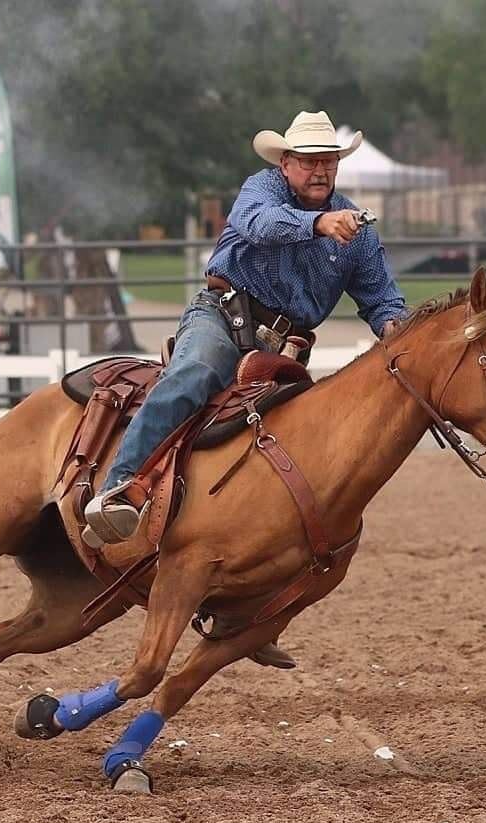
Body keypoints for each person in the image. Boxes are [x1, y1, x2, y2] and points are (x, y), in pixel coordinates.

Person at [84, 111, 407, 544]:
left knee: (305, 427)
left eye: (328, 161)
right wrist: (317, 224)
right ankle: (118, 488)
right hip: (222, 316)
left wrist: (395, 329)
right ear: (285, 163)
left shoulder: (357, 231)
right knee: (196, 371)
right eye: (309, 161)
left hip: (284, 349)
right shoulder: (261, 190)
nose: (320, 170)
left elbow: (381, 296)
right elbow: (261, 224)